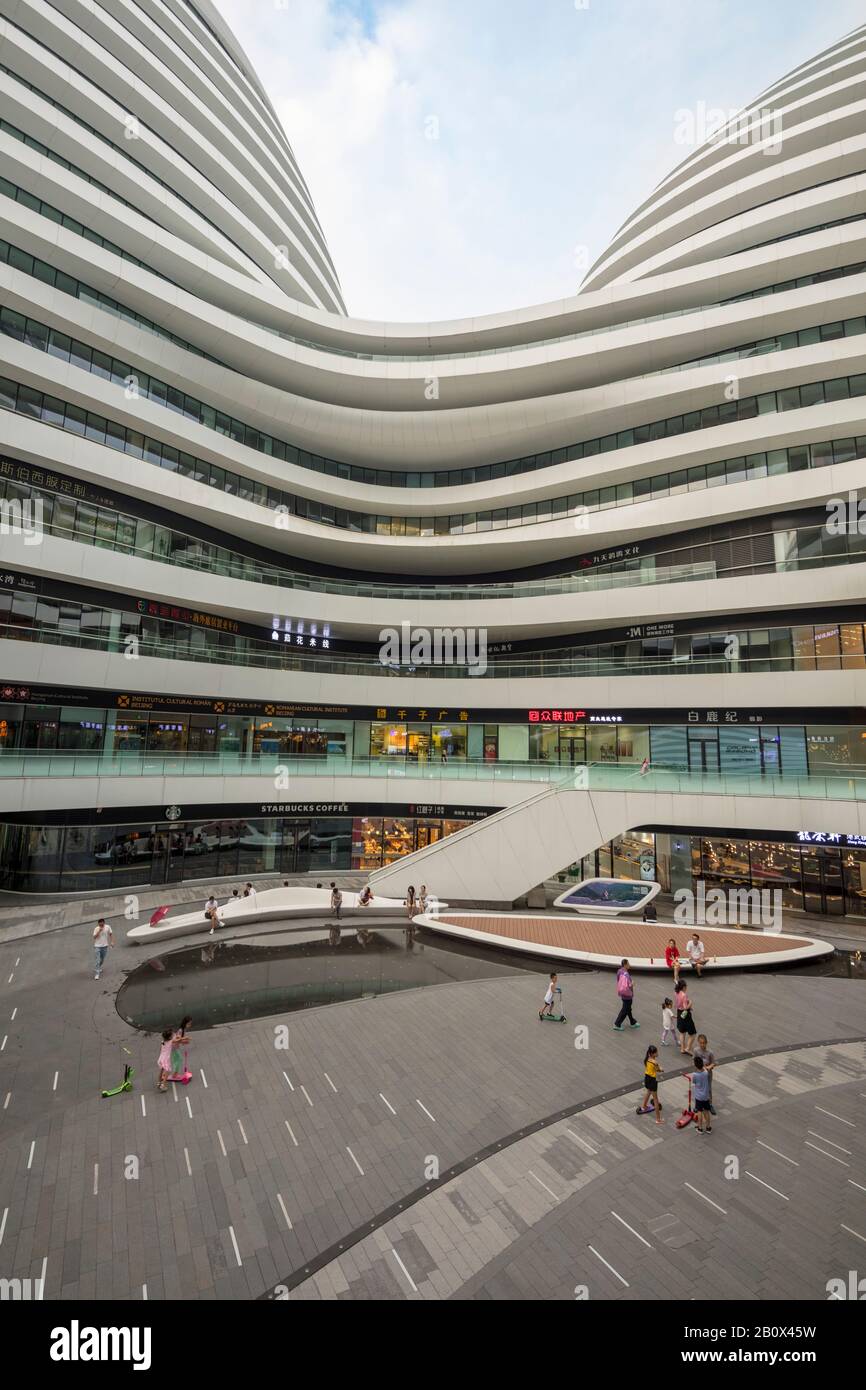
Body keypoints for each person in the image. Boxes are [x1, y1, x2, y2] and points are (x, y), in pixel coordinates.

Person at [637, 1045, 664, 1124]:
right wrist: (662, 1069)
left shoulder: (647, 1059)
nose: (657, 1053)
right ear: (652, 1054)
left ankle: (644, 1106)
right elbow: (658, 1070)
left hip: (647, 1078)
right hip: (652, 1080)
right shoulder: (655, 1062)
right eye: (656, 1052)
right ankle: (658, 1119)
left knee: (648, 1092)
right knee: (655, 1100)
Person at [688, 1056, 713, 1133]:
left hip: (699, 1096)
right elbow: (707, 1070)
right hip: (706, 1095)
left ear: (695, 1065)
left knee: (699, 1111)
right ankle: (708, 1127)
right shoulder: (706, 1072)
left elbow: (694, 1082)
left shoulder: (695, 1074)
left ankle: (700, 1128)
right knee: (707, 1111)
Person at [694, 1033, 717, 1116]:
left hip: (707, 1074)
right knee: (698, 1088)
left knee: (708, 1089)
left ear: (706, 1043)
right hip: (699, 1074)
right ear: (698, 1042)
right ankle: (698, 1105)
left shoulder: (710, 1052)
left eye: (704, 1043)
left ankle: (710, 1104)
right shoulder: (696, 1050)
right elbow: (695, 1061)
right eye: (701, 1043)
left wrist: (708, 1067)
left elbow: (714, 1063)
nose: (702, 1045)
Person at [613, 959, 639, 1030]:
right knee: (625, 1010)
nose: (629, 965)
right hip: (627, 995)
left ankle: (632, 1022)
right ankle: (617, 1024)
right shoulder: (626, 974)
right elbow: (628, 986)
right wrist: (632, 984)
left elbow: (619, 981)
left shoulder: (619, 971)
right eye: (628, 964)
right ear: (625, 965)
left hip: (622, 993)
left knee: (628, 1008)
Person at [675, 979, 696, 1055]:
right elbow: (685, 1008)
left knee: (682, 1032)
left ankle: (682, 1049)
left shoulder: (676, 992)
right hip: (685, 1014)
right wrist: (690, 1003)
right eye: (686, 986)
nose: (687, 987)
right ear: (683, 987)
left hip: (679, 1013)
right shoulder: (684, 995)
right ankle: (688, 1048)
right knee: (693, 1033)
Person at [169, 1016, 193, 1083]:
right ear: (185, 1023)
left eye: (190, 1024)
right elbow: (178, 1040)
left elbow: (181, 1039)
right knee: (178, 1060)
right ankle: (174, 1075)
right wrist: (185, 1041)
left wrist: (185, 1040)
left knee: (178, 1059)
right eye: (188, 1024)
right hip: (174, 1047)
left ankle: (175, 1073)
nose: (190, 1025)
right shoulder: (180, 1030)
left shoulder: (183, 1029)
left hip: (176, 1047)